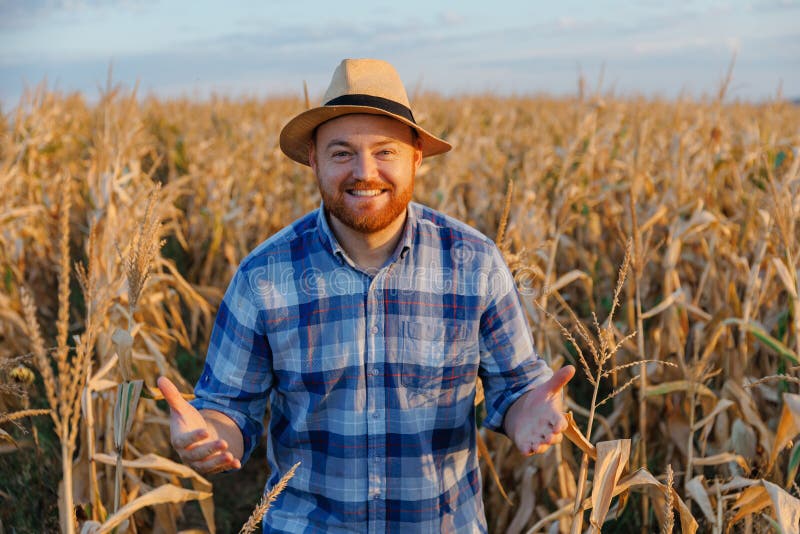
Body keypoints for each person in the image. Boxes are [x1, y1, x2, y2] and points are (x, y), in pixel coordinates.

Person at [158, 58, 575, 532]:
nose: (364, 172)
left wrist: (528, 413)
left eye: (385, 152)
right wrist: (209, 436)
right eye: (341, 154)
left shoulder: (473, 262)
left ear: (416, 156)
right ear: (313, 159)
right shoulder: (264, 275)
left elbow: (518, 387)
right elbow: (229, 410)